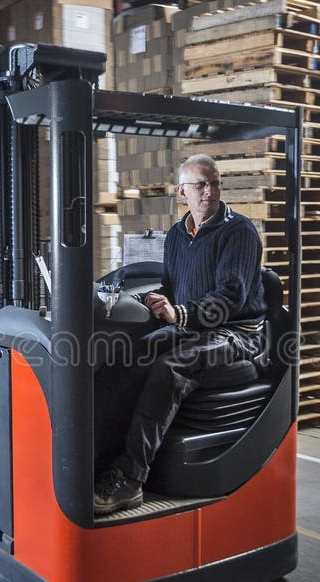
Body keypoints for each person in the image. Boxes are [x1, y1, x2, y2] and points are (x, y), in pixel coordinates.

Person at [93, 154, 267, 515]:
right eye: (201, 185)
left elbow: (230, 298)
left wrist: (181, 313)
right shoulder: (175, 235)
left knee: (170, 367)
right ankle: (96, 457)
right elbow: (173, 287)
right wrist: (156, 302)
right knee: (130, 355)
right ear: (182, 192)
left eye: (215, 183)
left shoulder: (239, 232)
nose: (209, 192)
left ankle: (129, 480)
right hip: (194, 327)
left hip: (237, 333)